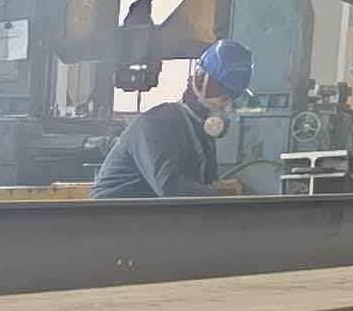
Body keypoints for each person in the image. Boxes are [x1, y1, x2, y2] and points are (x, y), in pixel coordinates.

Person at [91, 37, 253, 199]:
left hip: (151, 210)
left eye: (232, 97)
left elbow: (206, 182)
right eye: (223, 96)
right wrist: (219, 200)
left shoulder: (197, 129)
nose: (228, 106)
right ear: (200, 80)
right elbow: (170, 188)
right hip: (113, 212)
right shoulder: (158, 123)